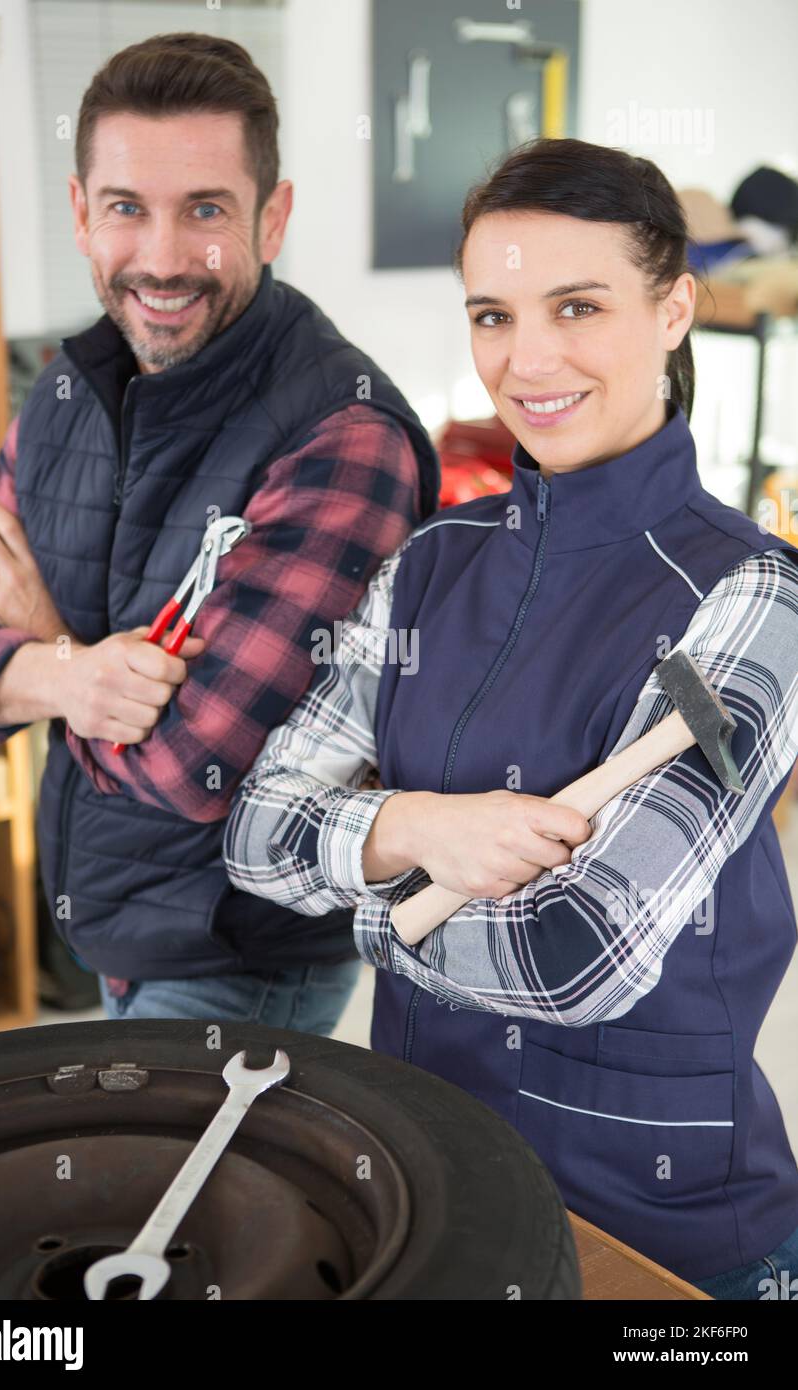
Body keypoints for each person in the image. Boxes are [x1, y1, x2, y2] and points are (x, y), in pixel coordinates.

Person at [224, 137, 798, 1298]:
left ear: (673, 307)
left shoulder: (754, 597)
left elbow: (572, 952)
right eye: (492, 314)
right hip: (431, 1183)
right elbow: (253, 832)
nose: (525, 360)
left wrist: (377, 921)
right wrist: (424, 829)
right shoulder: (427, 568)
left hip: (666, 1229)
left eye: (576, 306)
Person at [0, 33, 438, 1033]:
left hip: (240, 964)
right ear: (82, 214)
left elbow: (194, 765)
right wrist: (73, 671)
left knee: (168, 1197)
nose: (161, 259)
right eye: (127, 208)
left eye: (204, 210)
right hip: (112, 931)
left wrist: (32, 644)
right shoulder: (69, 392)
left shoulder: (342, 435)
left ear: (272, 215)